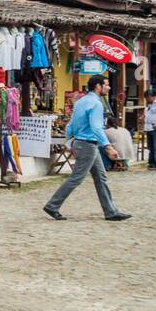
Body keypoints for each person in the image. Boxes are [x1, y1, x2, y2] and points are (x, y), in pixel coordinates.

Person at [44, 74, 129, 221]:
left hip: (84, 143)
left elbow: (71, 124)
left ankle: (111, 211)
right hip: (88, 144)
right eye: (106, 84)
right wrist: (108, 147)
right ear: (98, 86)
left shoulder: (81, 102)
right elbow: (97, 128)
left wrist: (69, 141)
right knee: (76, 178)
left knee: (100, 177)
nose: (108, 87)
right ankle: (52, 205)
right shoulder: (96, 104)